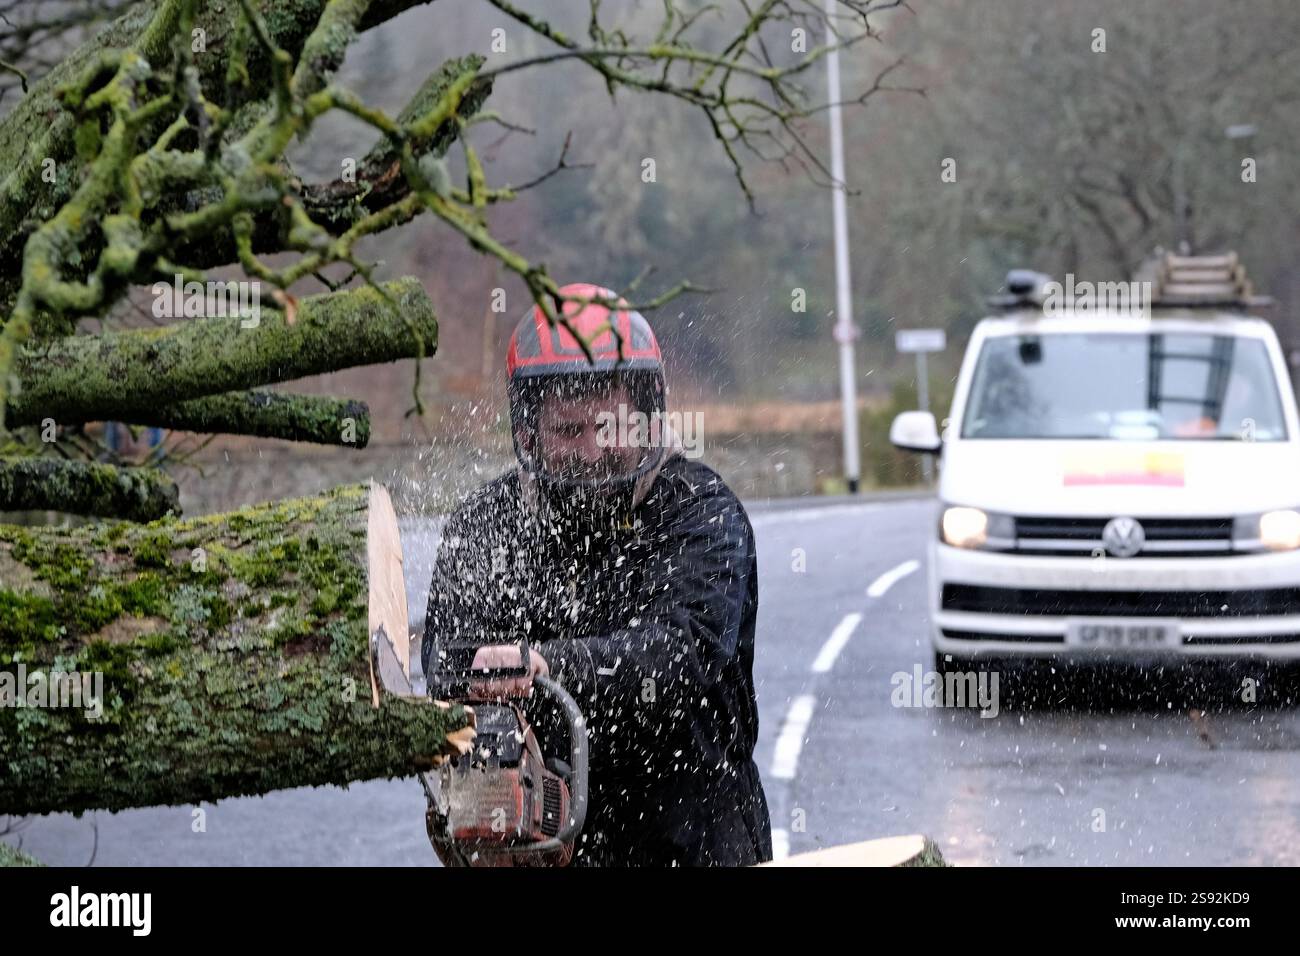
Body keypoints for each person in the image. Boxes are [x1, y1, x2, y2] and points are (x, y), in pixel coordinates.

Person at [421, 283, 772, 866]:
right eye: (567, 431)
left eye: (606, 427)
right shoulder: (487, 523)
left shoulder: (703, 512)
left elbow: (682, 653)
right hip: (547, 842)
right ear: (528, 432)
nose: (590, 451)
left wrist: (547, 667)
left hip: (695, 839)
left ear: (644, 419)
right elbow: (445, 660)